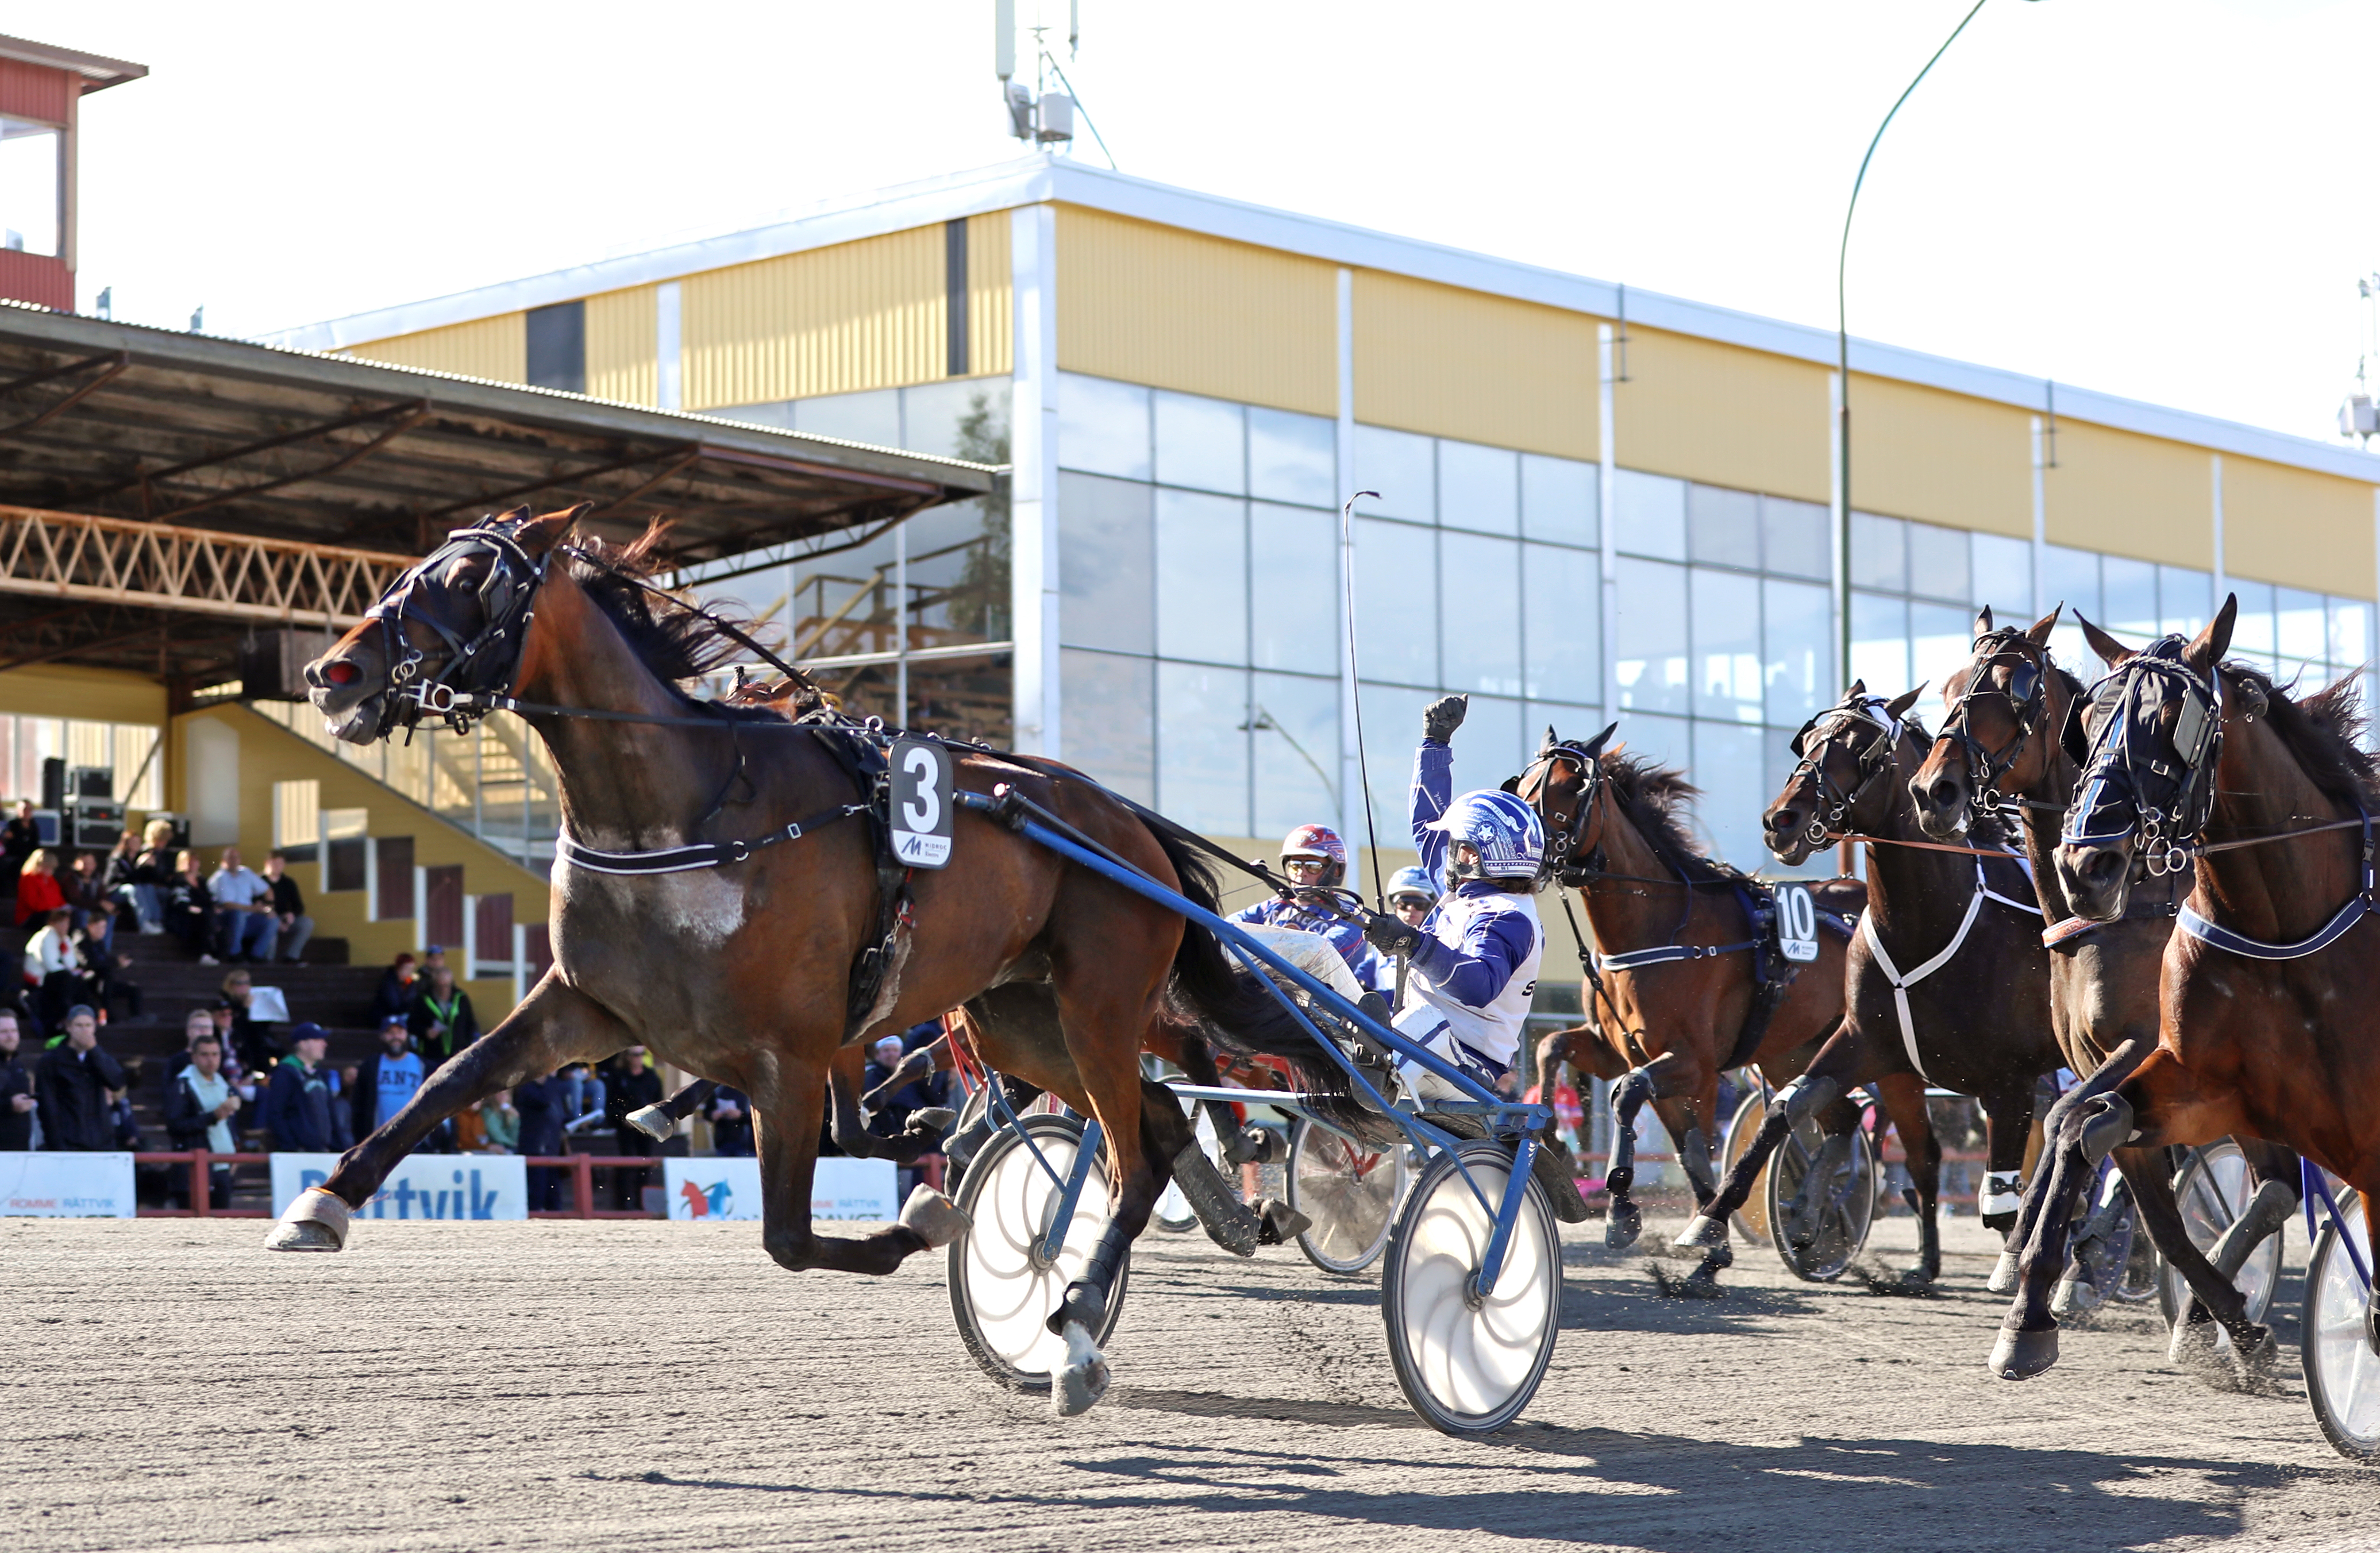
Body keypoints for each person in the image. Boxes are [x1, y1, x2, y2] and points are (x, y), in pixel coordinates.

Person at [1355, 694, 1546, 1105]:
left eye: (1459, 846)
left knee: (1422, 1017)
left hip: (1466, 1063)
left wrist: (1411, 942)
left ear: (1477, 855)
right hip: (1428, 1044)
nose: (1448, 852)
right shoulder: (1464, 891)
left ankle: (1374, 1087)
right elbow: (1428, 821)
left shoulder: (1506, 917)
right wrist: (1435, 745)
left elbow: (1477, 985)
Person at [1230, 825, 1388, 992]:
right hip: (1269, 1000)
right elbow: (1228, 928)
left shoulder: (1349, 917)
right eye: (1295, 866)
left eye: (1313, 866)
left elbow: (1317, 957)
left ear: (1335, 871)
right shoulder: (1274, 906)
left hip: (1322, 1011)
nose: (1301, 873)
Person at [164, 1032, 243, 1206]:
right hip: (196, 1168)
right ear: (194, 1057)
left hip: (223, 1166)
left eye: (215, 1054)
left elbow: (228, 1124)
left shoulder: (222, 1083)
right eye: (205, 1054)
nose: (211, 1060)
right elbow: (175, 1126)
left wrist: (235, 1149)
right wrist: (212, 1117)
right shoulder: (183, 1085)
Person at [33, 1007, 125, 1151]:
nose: (84, 1030)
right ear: (69, 1027)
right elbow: (47, 1106)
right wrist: (57, 1143)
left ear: (95, 1028)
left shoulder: (99, 1057)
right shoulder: (51, 1061)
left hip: (101, 1142)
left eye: (88, 1025)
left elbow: (116, 1082)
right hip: (68, 1142)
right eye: (79, 1025)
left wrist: (94, 1051)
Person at [603, 1046, 664, 1210]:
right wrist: (623, 1119)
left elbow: (659, 1103)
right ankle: (623, 1204)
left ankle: (641, 1204)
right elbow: (611, 1104)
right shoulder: (618, 1077)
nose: (638, 1058)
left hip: (646, 1128)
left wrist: (651, 1122)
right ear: (627, 1057)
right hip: (626, 1129)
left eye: (641, 1055)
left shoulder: (652, 1077)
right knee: (627, 1165)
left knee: (645, 1166)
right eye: (635, 1055)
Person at [263, 1024, 339, 1153]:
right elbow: (276, 1113)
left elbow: (331, 1114)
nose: (324, 1044)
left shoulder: (321, 1075)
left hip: (323, 1151)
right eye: (318, 1040)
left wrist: (338, 1147)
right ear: (303, 1044)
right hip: (298, 1154)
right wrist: (292, 1147)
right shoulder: (284, 1073)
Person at [352, 1015, 424, 1142]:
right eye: (390, 1033)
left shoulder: (422, 1065)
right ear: (382, 1036)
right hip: (379, 1144)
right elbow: (359, 1106)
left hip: (416, 1143)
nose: (396, 1037)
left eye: (400, 1032)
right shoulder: (370, 1066)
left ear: (407, 1035)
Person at [25, 907, 90, 1028]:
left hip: (57, 978)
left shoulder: (65, 939)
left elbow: (72, 964)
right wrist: (69, 970)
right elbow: (51, 965)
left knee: (79, 980)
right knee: (66, 979)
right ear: (52, 923)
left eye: (67, 923)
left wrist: (64, 948)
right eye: (61, 923)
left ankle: (83, 1015)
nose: (65, 927)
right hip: (39, 979)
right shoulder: (44, 937)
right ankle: (63, 1017)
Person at [209, 847, 277, 963]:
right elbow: (227, 905)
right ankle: (235, 953)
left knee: (273, 920)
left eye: (237, 857)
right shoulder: (219, 878)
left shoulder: (246, 873)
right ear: (223, 860)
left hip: (249, 919)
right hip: (228, 919)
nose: (235, 860)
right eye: (231, 857)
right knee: (238, 914)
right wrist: (254, 909)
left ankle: (257, 955)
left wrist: (269, 908)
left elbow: (268, 891)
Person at [514, 1069, 569, 1209]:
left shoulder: (552, 1088)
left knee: (554, 1197)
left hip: (552, 1149)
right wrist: (551, 1079)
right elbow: (543, 1101)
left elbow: (560, 1114)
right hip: (535, 1149)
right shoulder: (527, 1088)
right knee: (537, 1196)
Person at [409, 964, 479, 1063]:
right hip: (432, 1056)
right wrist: (426, 1032)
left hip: (458, 1055)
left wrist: (469, 1045)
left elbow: (470, 1023)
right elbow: (411, 1025)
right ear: (434, 983)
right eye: (440, 985)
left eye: (447, 986)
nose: (444, 989)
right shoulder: (423, 999)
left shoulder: (460, 997)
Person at [215, 968, 278, 1076]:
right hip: (239, 1044)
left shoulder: (253, 1000)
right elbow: (236, 1027)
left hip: (255, 1043)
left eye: (247, 983)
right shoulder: (225, 1004)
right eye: (240, 983)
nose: (244, 987)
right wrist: (245, 1010)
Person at [260, 851, 313, 965]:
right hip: (266, 919)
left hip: (284, 918)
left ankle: (292, 956)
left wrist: (291, 915)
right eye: (274, 863)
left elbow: (299, 906)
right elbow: (256, 904)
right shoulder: (259, 881)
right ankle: (269, 961)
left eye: (281, 863)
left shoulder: (289, 883)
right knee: (271, 925)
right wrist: (275, 921)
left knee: (307, 923)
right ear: (267, 863)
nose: (277, 866)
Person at [164, 850, 215, 962]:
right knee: (204, 918)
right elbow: (179, 901)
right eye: (189, 861)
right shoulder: (177, 880)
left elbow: (209, 899)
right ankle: (203, 953)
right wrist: (192, 909)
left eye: (195, 861)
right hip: (183, 916)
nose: (192, 864)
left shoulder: (202, 881)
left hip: (203, 912)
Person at [0, 1011, 35, 1151]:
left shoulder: (18, 1066)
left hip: (20, 1154)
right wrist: (9, 1105)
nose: (11, 1037)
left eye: (14, 1031)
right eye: (4, 1032)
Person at [16, 847, 64, 928]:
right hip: (30, 917)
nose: (49, 870)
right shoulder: (28, 879)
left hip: (49, 913)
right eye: (47, 867)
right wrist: (52, 909)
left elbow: (58, 899)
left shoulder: (50, 880)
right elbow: (33, 904)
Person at [371, 952, 418, 1026]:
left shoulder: (409, 982)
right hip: (386, 1017)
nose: (410, 972)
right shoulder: (388, 982)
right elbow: (394, 1005)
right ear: (399, 968)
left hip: (403, 1015)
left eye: (412, 969)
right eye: (407, 968)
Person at [1386, 864, 1439, 929]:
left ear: (1431, 907)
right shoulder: (1379, 937)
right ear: (1394, 906)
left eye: (1420, 904)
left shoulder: (1445, 935)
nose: (1410, 908)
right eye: (1404, 903)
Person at [705, 1086, 753, 1157]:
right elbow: (707, 1112)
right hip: (723, 1142)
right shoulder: (719, 1090)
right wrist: (713, 1115)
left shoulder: (750, 1092)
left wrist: (741, 1115)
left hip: (746, 1144)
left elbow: (760, 1117)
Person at [0, 798, 38, 881]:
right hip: (13, 859)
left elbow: (35, 844)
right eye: (24, 809)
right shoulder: (11, 825)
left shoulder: (34, 826)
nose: (27, 812)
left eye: (30, 809)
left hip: (29, 858)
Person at [479, 1089, 520, 1154]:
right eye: (499, 1094)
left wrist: (515, 1119)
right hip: (492, 1145)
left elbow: (514, 1136)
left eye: (505, 1094)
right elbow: (495, 1133)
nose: (502, 1097)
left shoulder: (508, 1112)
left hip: (508, 1146)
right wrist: (511, 1144)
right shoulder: (488, 1112)